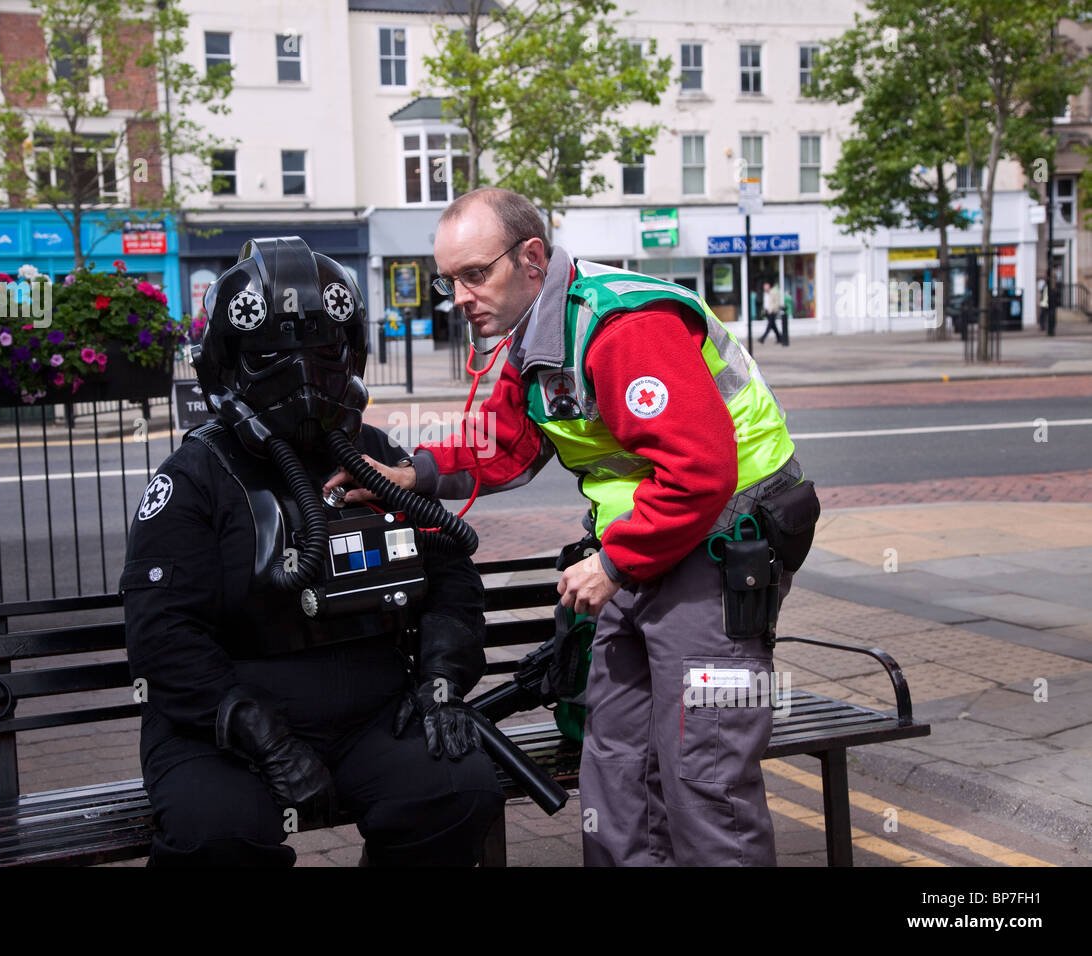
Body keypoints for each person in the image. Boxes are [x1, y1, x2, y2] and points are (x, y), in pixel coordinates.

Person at [325, 188, 813, 866]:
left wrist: (613, 564)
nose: (459, 297)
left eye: (474, 274)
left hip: (718, 550)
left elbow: (700, 471)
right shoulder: (540, 334)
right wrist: (410, 476)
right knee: (615, 762)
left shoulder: (624, 328)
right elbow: (506, 441)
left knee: (705, 773)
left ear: (531, 258)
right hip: (646, 553)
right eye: (449, 281)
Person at [122, 236, 504, 866]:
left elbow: (450, 578)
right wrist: (258, 733)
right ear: (226, 364)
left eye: (323, 353)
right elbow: (161, 631)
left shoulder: (376, 457)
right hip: (228, 719)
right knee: (215, 834)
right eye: (270, 356)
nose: (301, 376)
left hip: (372, 709)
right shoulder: (195, 476)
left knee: (456, 791)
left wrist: (441, 678)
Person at [758, 280, 784, 345]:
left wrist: (774, 309)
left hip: (772, 311)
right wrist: (763, 311)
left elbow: (777, 302)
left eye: (766, 287)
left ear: (769, 286)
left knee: (769, 325)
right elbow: (765, 303)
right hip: (767, 312)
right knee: (773, 326)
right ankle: (780, 338)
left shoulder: (773, 292)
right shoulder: (765, 294)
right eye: (764, 287)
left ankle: (762, 338)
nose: (765, 288)